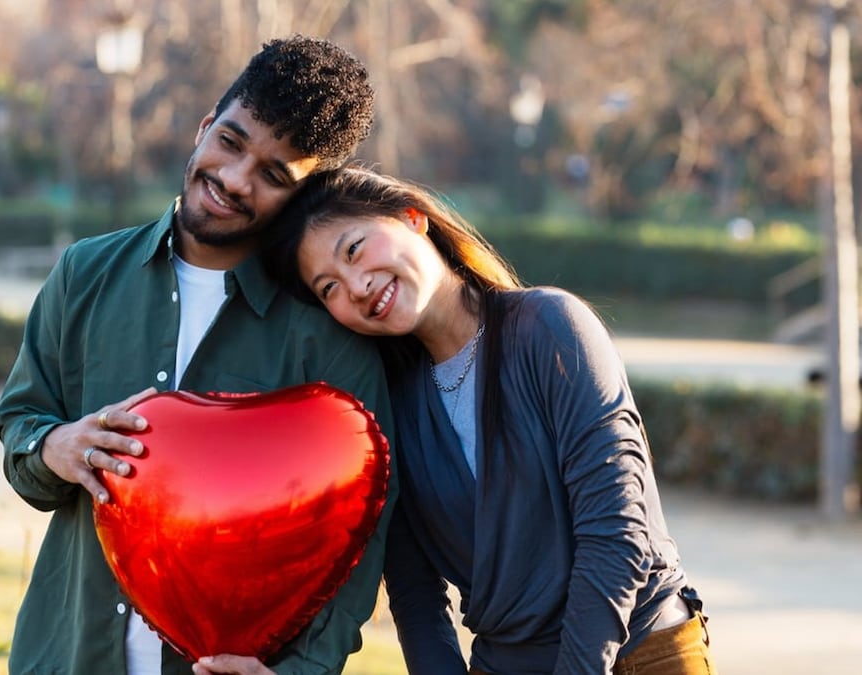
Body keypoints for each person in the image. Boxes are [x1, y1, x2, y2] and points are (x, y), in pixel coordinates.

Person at [0, 36, 396, 675]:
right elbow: (21, 431)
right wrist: (55, 447)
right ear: (206, 126)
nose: (234, 180)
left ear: (304, 192)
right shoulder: (84, 274)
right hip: (65, 656)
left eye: (272, 175)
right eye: (231, 144)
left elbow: (359, 547)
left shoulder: (326, 337)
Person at [263, 167, 717, 674]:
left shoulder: (549, 326)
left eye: (353, 250)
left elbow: (616, 531)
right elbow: (415, 592)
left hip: (641, 652)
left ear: (413, 219)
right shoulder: (390, 409)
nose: (357, 285)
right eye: (329, 289)